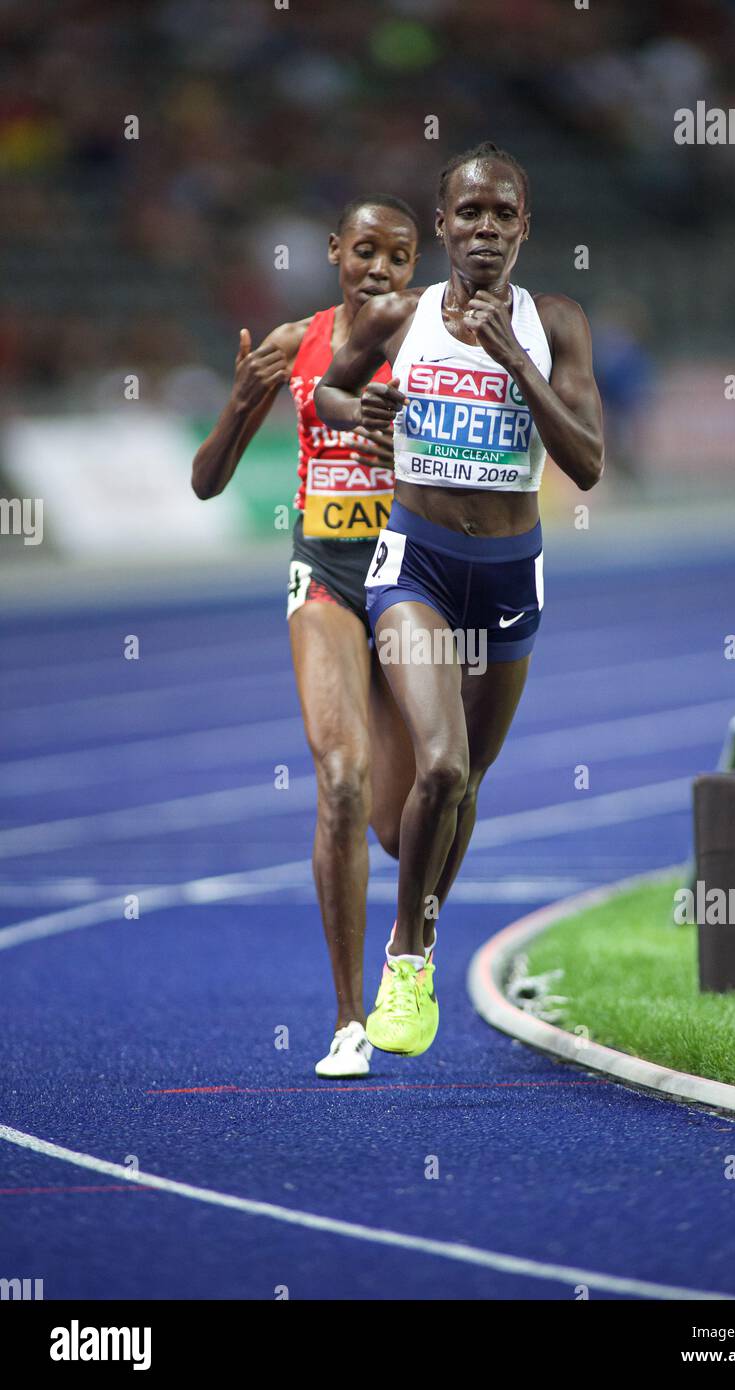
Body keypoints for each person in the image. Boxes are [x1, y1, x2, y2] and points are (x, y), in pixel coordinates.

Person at [315, 142, 604, 1058]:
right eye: (468, 213)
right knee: (439, 766)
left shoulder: (555, 320)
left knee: (469, 780)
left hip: (510, 574)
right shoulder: (396, 316)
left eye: (502, 214)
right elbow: (328, 386)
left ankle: (422, 932)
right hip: (416, 567)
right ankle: (409, 957)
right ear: (440, 226)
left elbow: (588, 463)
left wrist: (515, 357)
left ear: (525, 229)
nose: (485, 229)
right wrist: (351, 416)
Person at [192, 195, 421, 1077]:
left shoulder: (430, 347)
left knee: (405, 828)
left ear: (412, 267)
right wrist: (239, 400)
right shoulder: (293, 344)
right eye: (365, 251)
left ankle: (412, 959)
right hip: (324, 579)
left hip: (411, 584)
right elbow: (209, 481)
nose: (379, 269)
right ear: (335, 251)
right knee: (341, 780)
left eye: (398, 258)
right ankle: (347, 1021)